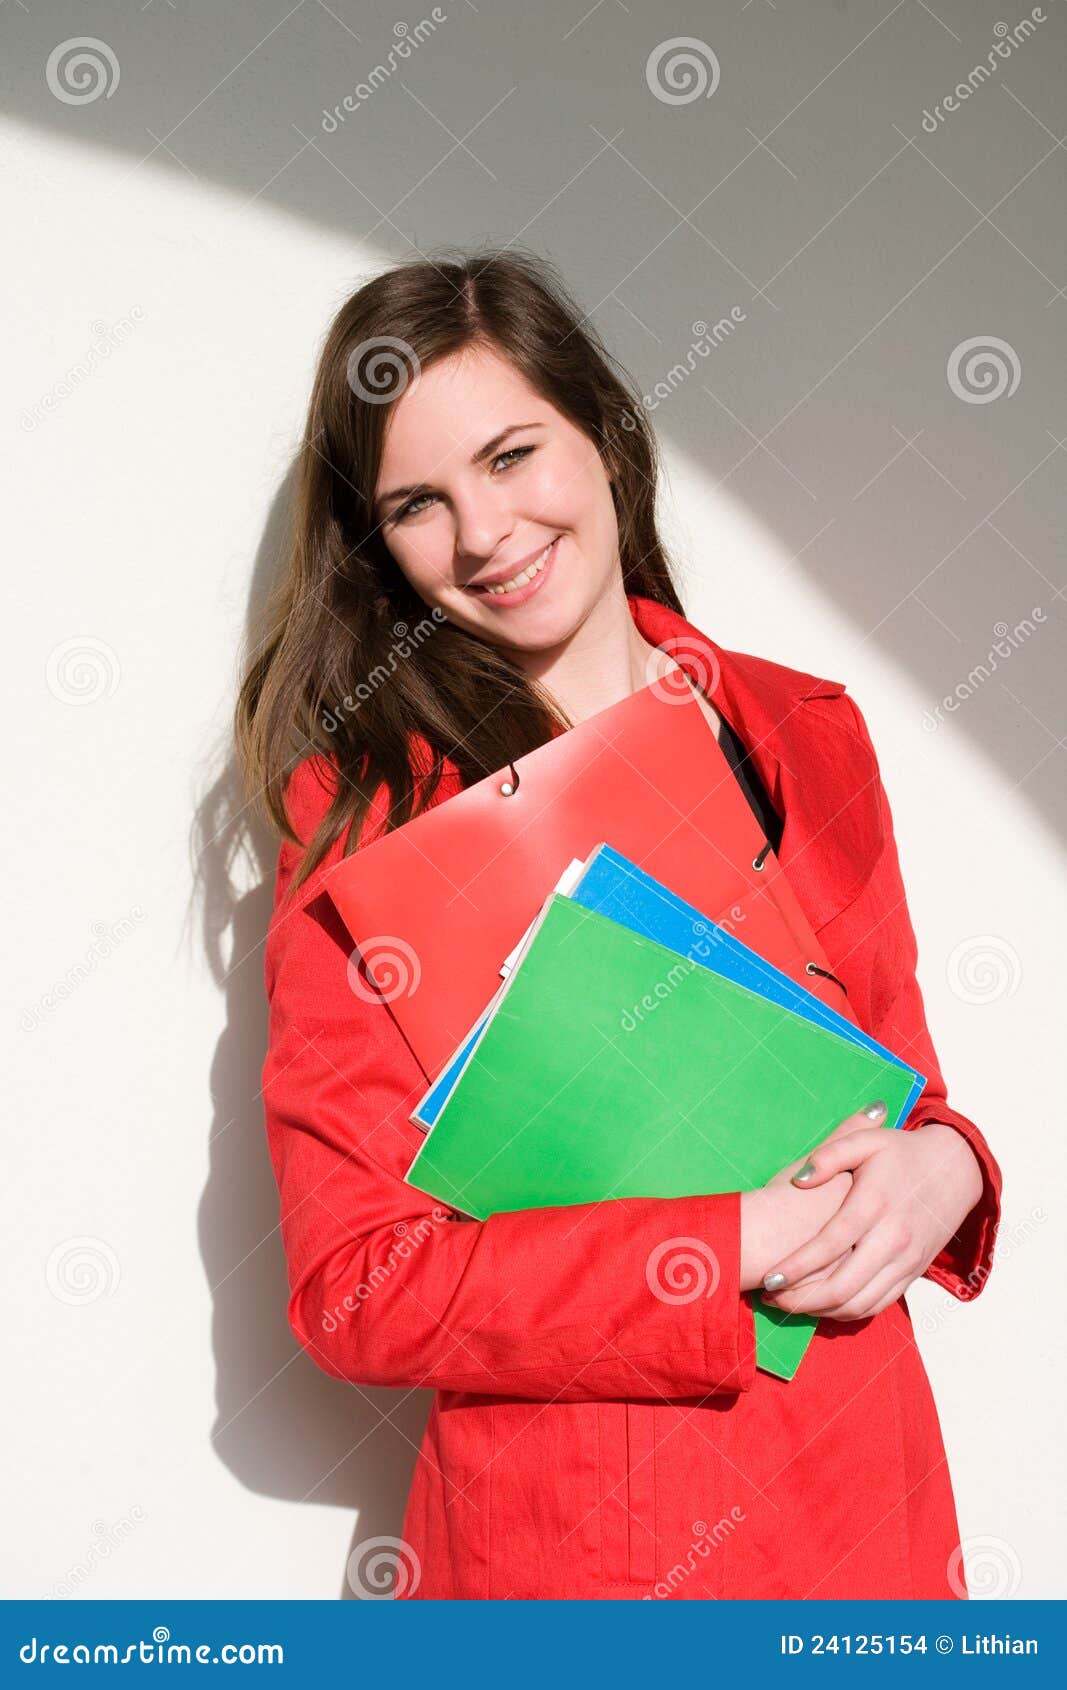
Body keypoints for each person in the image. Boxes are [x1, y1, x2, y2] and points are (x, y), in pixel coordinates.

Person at [235, 249, 1002, 1601]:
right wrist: (726, 1245)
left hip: (859, 1498)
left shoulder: (801, 733)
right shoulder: (368, 825)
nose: (484, 534)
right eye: (419, 503)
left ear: (603, 430)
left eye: (514, 453)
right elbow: (357, 1285)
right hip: (586, 1544)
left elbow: (901, 1077)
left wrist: (950, 1173)